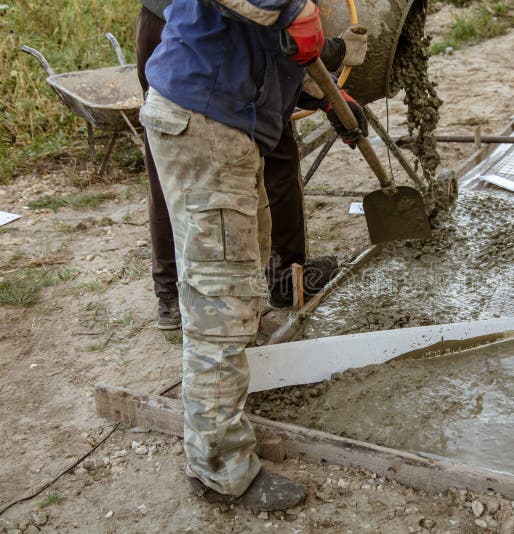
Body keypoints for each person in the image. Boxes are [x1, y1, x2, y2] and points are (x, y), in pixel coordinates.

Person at [139, 0, 368, 509]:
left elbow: (273, 50)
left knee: (245, 274)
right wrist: (320, 38)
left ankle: (229, 406)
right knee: (221, 302)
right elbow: (278, 18)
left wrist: (331, 96)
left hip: (225, 123)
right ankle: (220, 469)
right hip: (207, 122)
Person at [136, 0, 367, 329]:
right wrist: (322, 43)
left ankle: (182, 295)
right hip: (203, 44)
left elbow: (279, 37)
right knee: (218, 154)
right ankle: (278, 279)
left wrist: (323, 88)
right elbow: (274, 21)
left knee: (184, 165)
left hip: (191, 29)